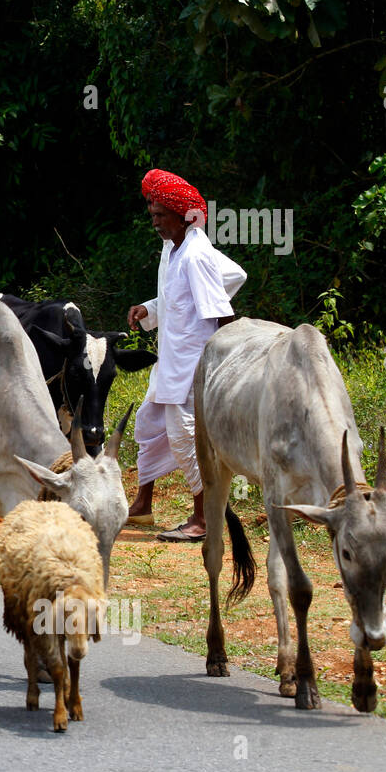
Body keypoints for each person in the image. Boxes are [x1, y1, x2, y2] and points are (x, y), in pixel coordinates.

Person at [125, 169, 245, 542]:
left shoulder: (195, 255)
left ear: (182, 215)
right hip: (170, 361)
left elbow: (221, 312)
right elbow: (180, 296)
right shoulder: (171, 249)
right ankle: (143, 506)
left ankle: (204, 519)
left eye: (161, 214)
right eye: (152, 214)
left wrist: (223, 368)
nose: (155, 222)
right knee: (148, 424)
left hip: (193, 364)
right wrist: (150, 309)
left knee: (184, 436)